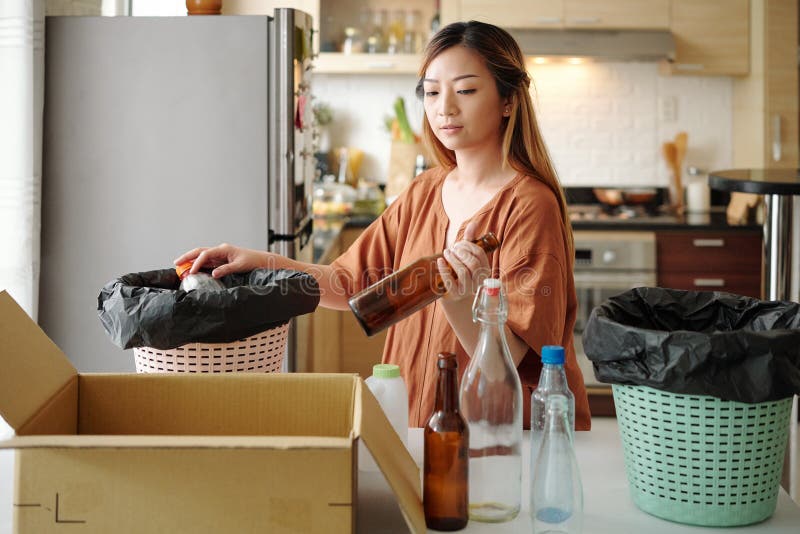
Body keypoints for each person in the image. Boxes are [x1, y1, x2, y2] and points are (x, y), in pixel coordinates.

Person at [175, 20, 590, 431]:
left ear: (508, 101)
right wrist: (261, 264)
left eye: (465, 90)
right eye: (430, 92)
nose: (444, 108)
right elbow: (348, 283)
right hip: (414, 420)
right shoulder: (425, 190)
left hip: (491, 438)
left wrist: (459, 300)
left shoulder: (530, 205)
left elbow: (512, 367)